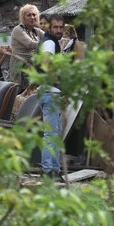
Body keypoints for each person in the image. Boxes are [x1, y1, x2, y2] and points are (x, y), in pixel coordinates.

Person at [37, 15, 66, 178]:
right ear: (49, 27)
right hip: (50, 91)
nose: (59, 30)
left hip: (51, 91)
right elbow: (46, 64)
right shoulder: (49, 42)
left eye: (61, 27)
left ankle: (55, 170)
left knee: (55, 133)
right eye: (55, 27)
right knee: (51, 134)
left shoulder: (50, 41)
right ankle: (48, 171)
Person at [7, 5, 44, 91]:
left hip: (31, 66)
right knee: (20, 94)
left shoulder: (36, 31)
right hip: (20, 68)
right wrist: (47, 43)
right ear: (23, 17)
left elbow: (48, 37)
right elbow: (30, 44)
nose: (32, 17)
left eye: (34, 15)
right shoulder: (18, 29)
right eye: (29, 15)